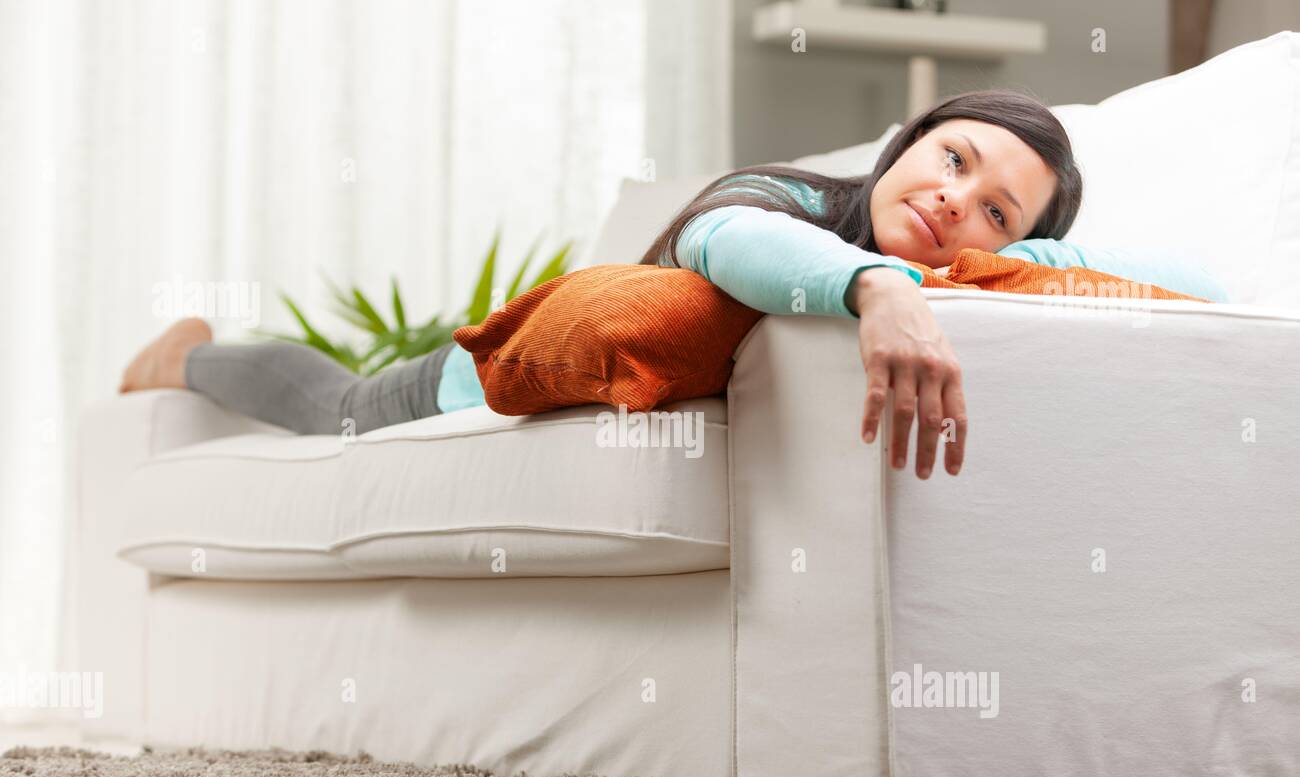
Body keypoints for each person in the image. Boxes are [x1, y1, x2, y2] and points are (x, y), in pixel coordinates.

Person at [119, 89, 1224, 479]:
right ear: (909, 143)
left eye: (996, 210)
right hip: (464, 385)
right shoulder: (779, 200)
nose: (957, 200)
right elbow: (725, 248)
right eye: (954, 158)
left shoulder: (977, 267)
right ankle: (188, 352)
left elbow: (1206, 284)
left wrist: (1025, 259)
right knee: (343, 403)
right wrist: (882, 289)